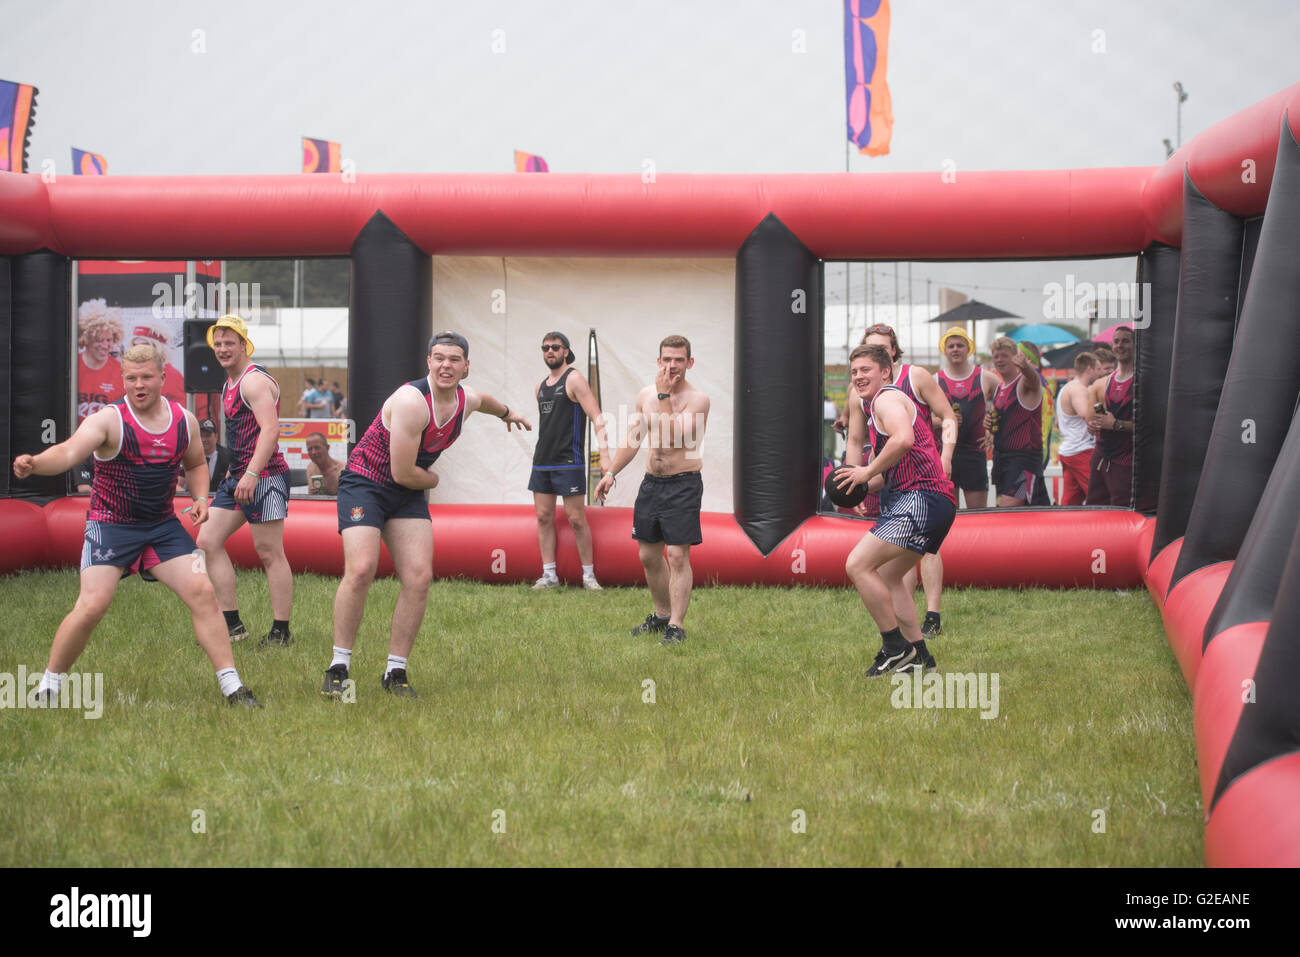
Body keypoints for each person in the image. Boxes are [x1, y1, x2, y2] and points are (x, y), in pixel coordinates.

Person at [11, 343, 261, 707]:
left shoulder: (183, 420)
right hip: (110, 525)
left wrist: (201, 498)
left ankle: (233, 687)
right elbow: (67, 451)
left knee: (203, 593)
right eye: (131, 378)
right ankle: (49, 684)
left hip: (161, 527)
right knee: (93, 604)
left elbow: (195, 465)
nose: (138, 385)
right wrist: (36, 462)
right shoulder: (109, 420)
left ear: (162, 378)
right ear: (123, 379)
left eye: (146, 377)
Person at [322, 331, 530, 698]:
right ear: (428, 362)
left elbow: (486, 402)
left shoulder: (467, 399)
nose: (445, 365)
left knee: (418, 577)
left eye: (454, 359)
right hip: (366, 483)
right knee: (360, 569)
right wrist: (434, 477)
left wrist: (508, 414)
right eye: (438, 358)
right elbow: (404, 473)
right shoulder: (411, 402)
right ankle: (338, 667)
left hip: (406, 492)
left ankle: (395, 673)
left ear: (466, 367)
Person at [837, 344, 957, 677]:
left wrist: (864, 471)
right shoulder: (877, 403)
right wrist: (860, 484)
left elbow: (903, 439)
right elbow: (900, 460)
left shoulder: (885, 399)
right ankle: (919, 656)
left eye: (866, 370)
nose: (858, 376)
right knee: (890, 578)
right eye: (854, 372)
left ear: (886, 371)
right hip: (933, 501)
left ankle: (894, 648)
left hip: (921, 499)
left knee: (858, 564)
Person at [595, 335, 710, 645]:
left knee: (676, 555)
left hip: (683, 484)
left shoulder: (698, 399)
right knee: (648, 555)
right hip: (652, 483)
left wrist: (663, 396)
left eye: (679, 360)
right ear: (659, 361)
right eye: (667, 359)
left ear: (690, 363)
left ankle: (677, 625)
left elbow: (675, 438)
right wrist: (610, 473)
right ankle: (661, 614)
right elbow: (634, 438)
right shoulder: (646, 394)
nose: (673, 365)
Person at [195, 315, 294, 650]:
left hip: (264, 477)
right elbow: (241, 433)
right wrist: (232, 472)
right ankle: (232, 623)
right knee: (207, 541)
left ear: (243, 345)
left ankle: (281, 631)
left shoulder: (253, 382)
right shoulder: (229, 382)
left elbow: (271, 430)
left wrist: (251, 473)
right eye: (218, 344)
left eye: (229, 343)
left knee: (269, 552)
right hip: (238, 477)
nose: (223, 349)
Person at [530, 331, 611, 590]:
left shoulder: (574, 378)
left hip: (569, 462)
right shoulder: (540, 387)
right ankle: (549, 575)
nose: (550, 351)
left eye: (555, 347)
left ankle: (588, 576)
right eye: (545, 348)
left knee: (576, 518)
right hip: (542, 462)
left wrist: (606, 456)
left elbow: (596, 415)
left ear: (566, 351)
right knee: (543, 517)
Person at [934, 326, 1000, 510]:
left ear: (968, 349)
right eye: (951, 346)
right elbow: (921, 419)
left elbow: (1006, 401)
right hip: (946, 455)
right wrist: (943, 421)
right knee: (947, 514)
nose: (955, 349)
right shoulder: (935, 380)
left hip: (975, 454)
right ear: (945, 350)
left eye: (960, 345)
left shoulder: (985, 377)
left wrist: (992, 427)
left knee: (978, 513)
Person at [985, 336, 1049, 506]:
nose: (999, 360)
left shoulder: (1024, 382)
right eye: (996, 356)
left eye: (1004, 356)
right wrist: (990, 427)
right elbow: (1003, 421)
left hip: (1023, 460)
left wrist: (1026, 367)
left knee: (1009, 509)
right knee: (1024, 509)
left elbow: (1034, 379)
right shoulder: (1000, 387)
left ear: (1015, 357)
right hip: (1002, 459)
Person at [1086, 325, 1135, 507]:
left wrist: (1116, 424)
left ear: (1135, 345)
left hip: (1126, 461)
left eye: (1125, 341)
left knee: (1121, 513)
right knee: (1094, 510)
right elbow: (1091, 425)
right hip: (1100, 457)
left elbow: (1151, 427)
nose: (1120, 345)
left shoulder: (1141, 381)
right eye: (1116, 341)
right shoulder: (1101, 384)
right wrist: (1092, 426)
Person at [1055, 352, 1101, 505]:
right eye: (1098, 369)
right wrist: (1105, 412)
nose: (1100, 373)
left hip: (1071, 451)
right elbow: (1084, 413)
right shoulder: (1078, 389)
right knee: (1099, 495)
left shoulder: (1069, 388)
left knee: (1071, 501)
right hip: (1081, 450)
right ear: (1089, 369)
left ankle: (1063, 526)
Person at [76, 298, 125, 422]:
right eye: (99, 340)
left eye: (108, 340)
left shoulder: (120, 371)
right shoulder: (73, 366)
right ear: (85, 339)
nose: (104, 346)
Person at [304, 430, 345, 495]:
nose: (313, 452)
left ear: (327, 447)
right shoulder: (311, 467)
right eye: (310, 449)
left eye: (317, 448)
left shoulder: (342, 470)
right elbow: (311, 497)